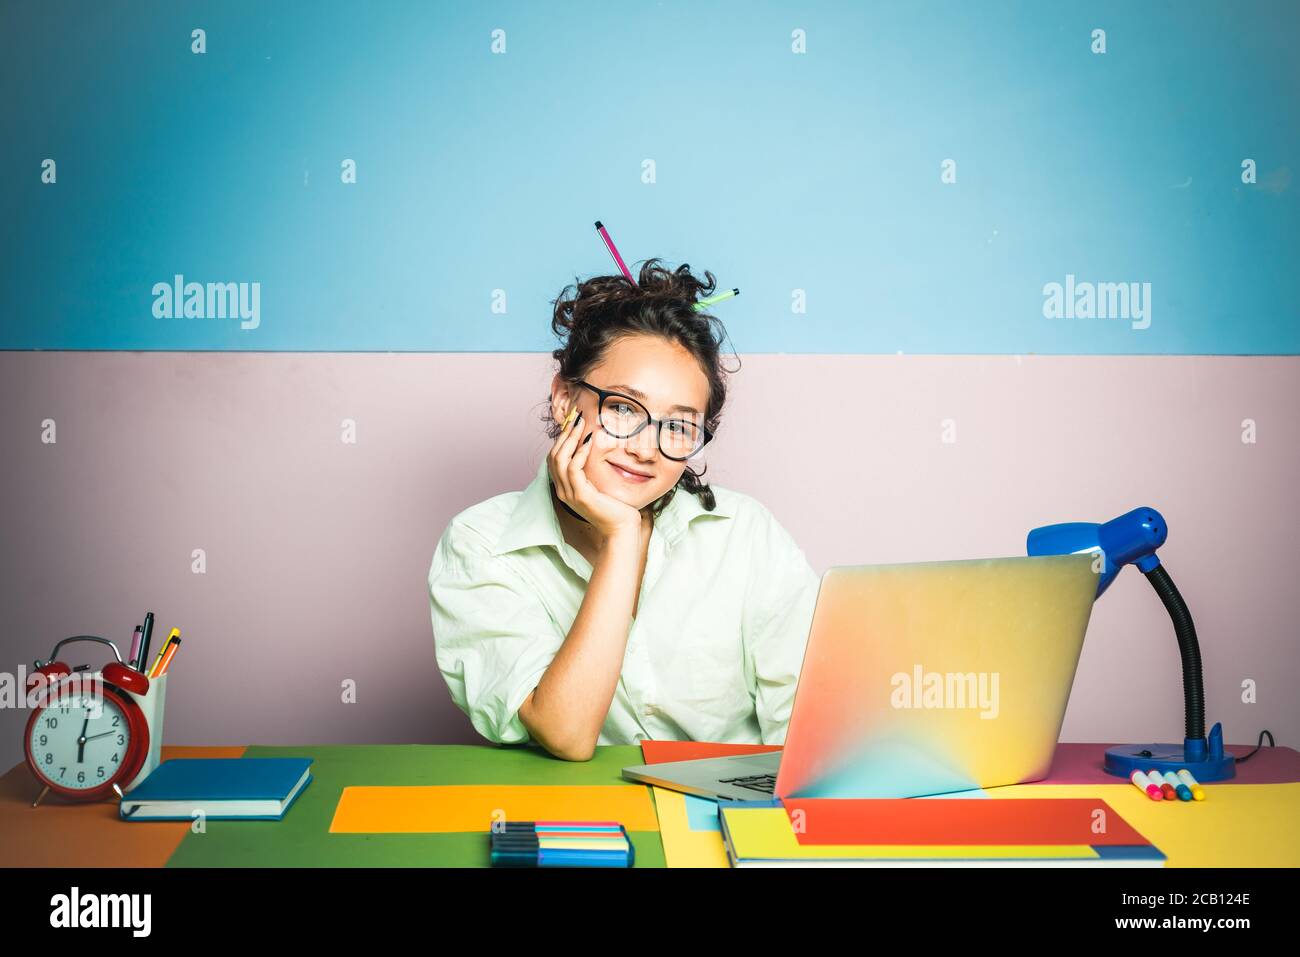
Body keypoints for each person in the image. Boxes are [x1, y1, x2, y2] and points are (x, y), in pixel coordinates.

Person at [428, 258, 820, 761]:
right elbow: (564, 732)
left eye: (678, 426)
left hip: (736, 809)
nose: (646, 448)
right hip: (584, 817)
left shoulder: (745, 533)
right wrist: (621, 539)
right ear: (564, 400)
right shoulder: (481, 544)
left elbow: (808, 728)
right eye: (622, 409)